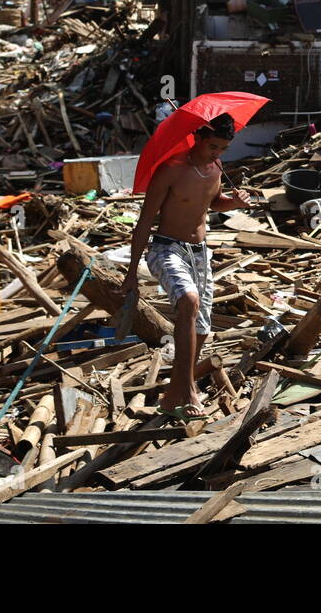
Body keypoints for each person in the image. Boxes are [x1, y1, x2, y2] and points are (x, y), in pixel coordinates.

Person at [121, 113, 254, 422]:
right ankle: (189, 388)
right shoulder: (170, 170)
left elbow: (212, 202)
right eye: (212, 147)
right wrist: (131, 274)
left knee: (202, 330)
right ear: (197, 138)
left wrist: (233, 202)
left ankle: (171, 397)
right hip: (167, 249)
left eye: (222, 149)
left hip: (200, 253)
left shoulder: (216, 168)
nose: (217, 154)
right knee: (188, 301)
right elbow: (143, 225)